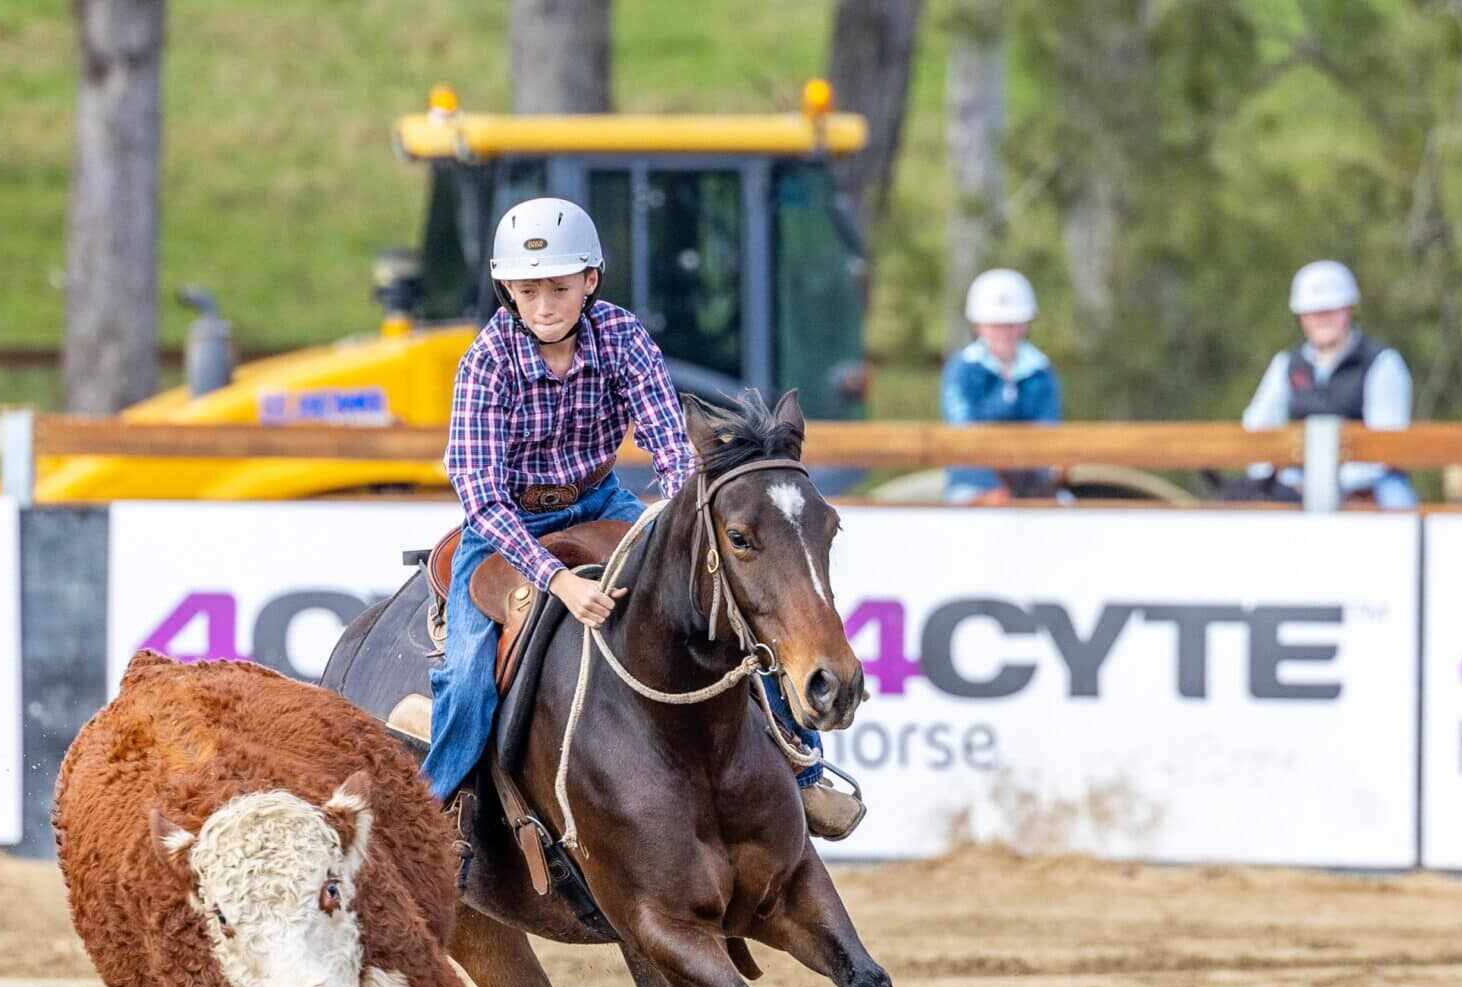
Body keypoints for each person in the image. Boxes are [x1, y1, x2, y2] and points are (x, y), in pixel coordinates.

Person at [410, 196, 863, 845]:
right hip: (507, 522)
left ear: (590, 280)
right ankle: (439, 812)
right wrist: (557, 580)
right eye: (529, 289)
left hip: (601, 500)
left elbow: (672, 446)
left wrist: (690, 511)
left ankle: (802, 762)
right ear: (507, 287)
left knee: (728, 595)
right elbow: (480, 493)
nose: (545, 305)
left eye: (560, 288)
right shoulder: (486, 361)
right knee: (468, 672)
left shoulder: (621, 336)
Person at [1239, 260, 1417, 507]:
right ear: (1301, 316)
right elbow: (1256, 428)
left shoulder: (1382, 363)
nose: (1322, 318)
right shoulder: (1286, 365)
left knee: (1398, 505)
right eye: (1313, 311)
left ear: (1348, 309)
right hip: (1296, 484)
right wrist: (1281, 480)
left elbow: (1386, 446)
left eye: (1330, 309)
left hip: (1370, 484)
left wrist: (1326, 484)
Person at [941, 269, 1064, 503]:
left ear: (1025, 325)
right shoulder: (962, 370)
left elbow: (1047, 430)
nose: (1005, 332)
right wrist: (996, 487)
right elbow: (963, 433)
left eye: (1012, 324)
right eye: (995, 324)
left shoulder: (1041, 371)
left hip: (1033, 484)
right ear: (978, 326)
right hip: (973, 482)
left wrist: (1028, 481)